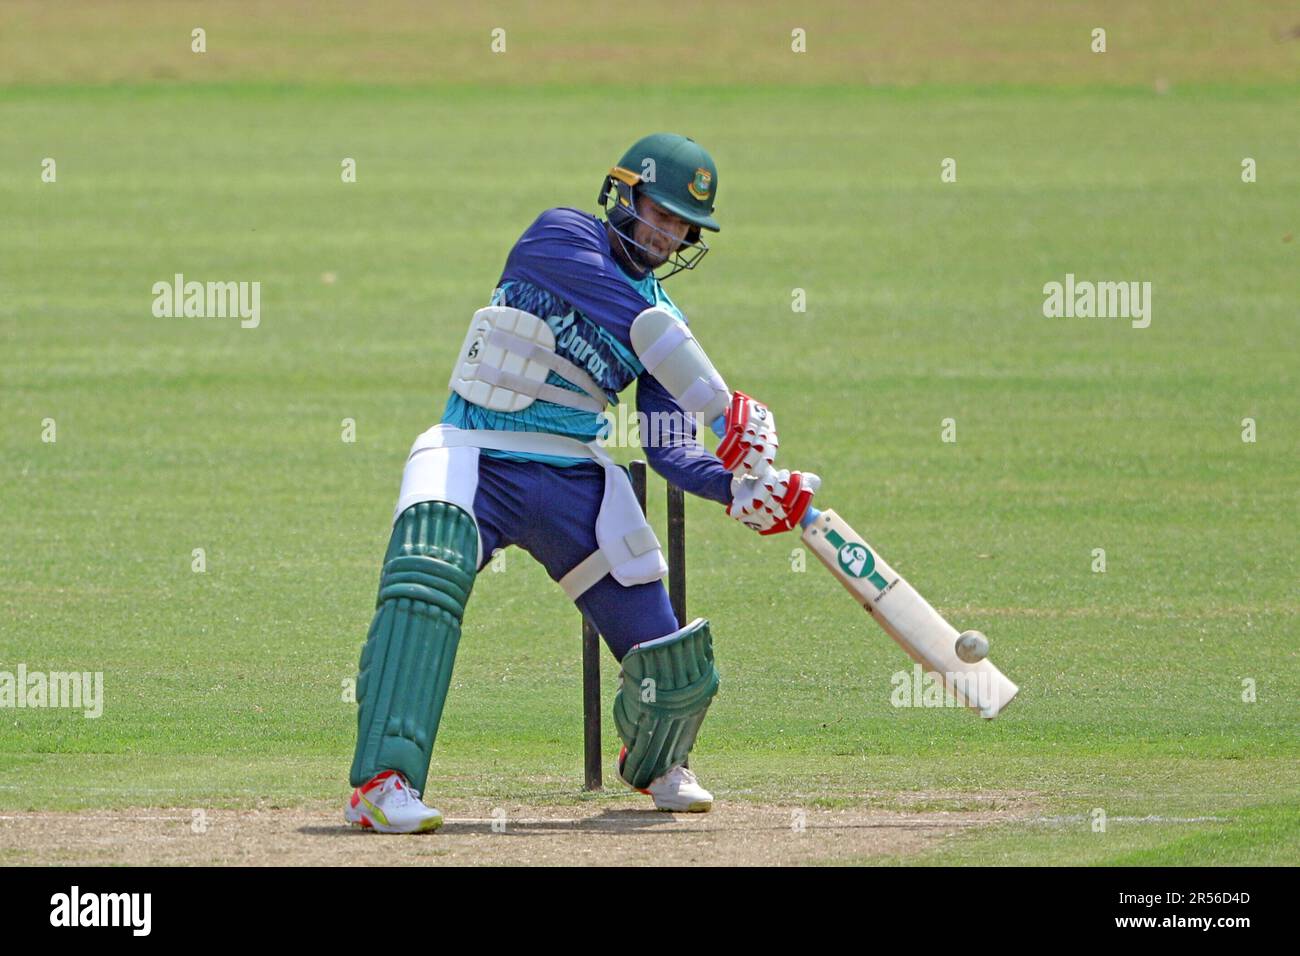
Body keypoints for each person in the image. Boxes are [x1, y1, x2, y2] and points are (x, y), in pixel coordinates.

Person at [344, 133, 820, 833]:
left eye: (682, 226)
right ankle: (383, 785)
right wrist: (725, 407)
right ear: (622, 195)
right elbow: (635, 321)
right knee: (426, 577)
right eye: (656, 213)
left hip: (572, 476)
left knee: (675, 668)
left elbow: (666, 447)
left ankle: (657, 762)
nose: (666, 235)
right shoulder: (561, 236)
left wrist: (738, 489)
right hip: (477, 453)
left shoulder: (672, 330)